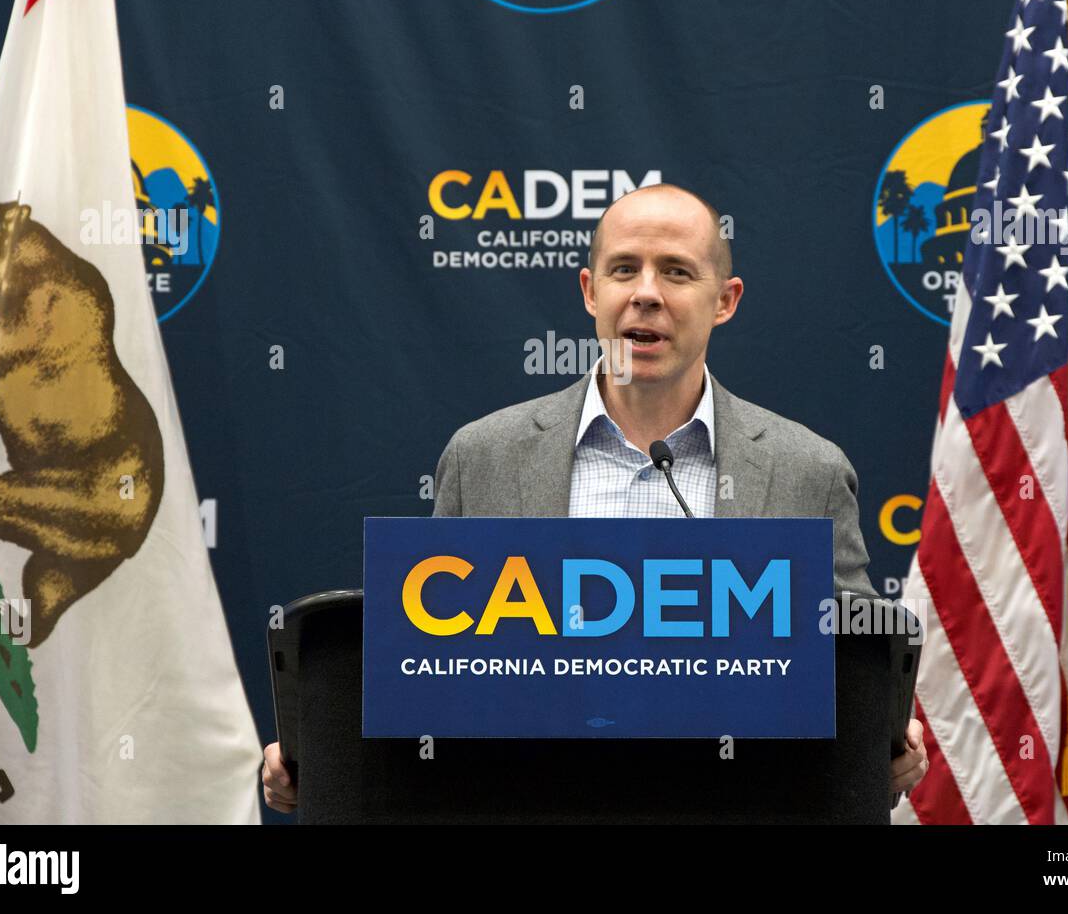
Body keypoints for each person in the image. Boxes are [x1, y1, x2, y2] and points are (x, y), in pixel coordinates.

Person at [262, 183, 928, 814]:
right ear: (589, 290)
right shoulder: (484, 454)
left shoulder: (806, 469)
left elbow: (853, 664)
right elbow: (431, 674)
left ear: (725, 300)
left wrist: (886, 742)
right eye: (623, 269)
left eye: (676, 271)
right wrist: (323, 745)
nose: (645, 295)